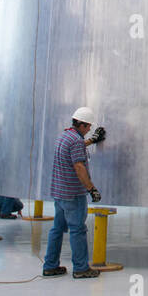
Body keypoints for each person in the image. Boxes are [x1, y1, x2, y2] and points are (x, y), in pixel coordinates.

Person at [42, 107, 106, 278]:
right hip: (73, 194)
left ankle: (50, 265)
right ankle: (80, 268)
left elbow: (75, 147)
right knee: (77, 229)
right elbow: (79, 167)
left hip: (60, 192)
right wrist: (91, 188)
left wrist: (92, 141)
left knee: (57, 229)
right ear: (83, 125)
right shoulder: (76, 141)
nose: (89, 130)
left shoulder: (64, 136)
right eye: (89, 127)